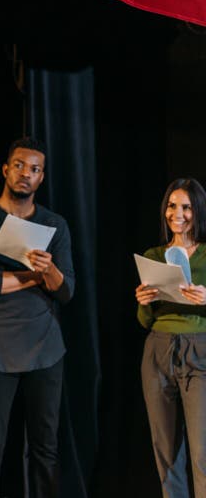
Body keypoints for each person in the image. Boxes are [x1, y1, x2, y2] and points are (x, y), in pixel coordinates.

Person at [0, 136, 75, 498]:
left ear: (42, 179)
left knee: (45, 447)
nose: (27, 174)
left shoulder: (54, 224)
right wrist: (32, 277)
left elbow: (67, 290)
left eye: (35, 169)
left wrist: (49, 270)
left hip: (45, 346)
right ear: (6, 169)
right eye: (20, 166)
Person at [135, 177, 206, 498]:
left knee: (202, 450)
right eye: (172, 205)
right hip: (158, 349)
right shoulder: (154, 254)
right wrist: (144, 303)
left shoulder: (205, 254)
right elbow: (145, 321)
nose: (178, 213)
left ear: (198, 211)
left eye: (187, 206)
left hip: (199, 349)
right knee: (166, 450)